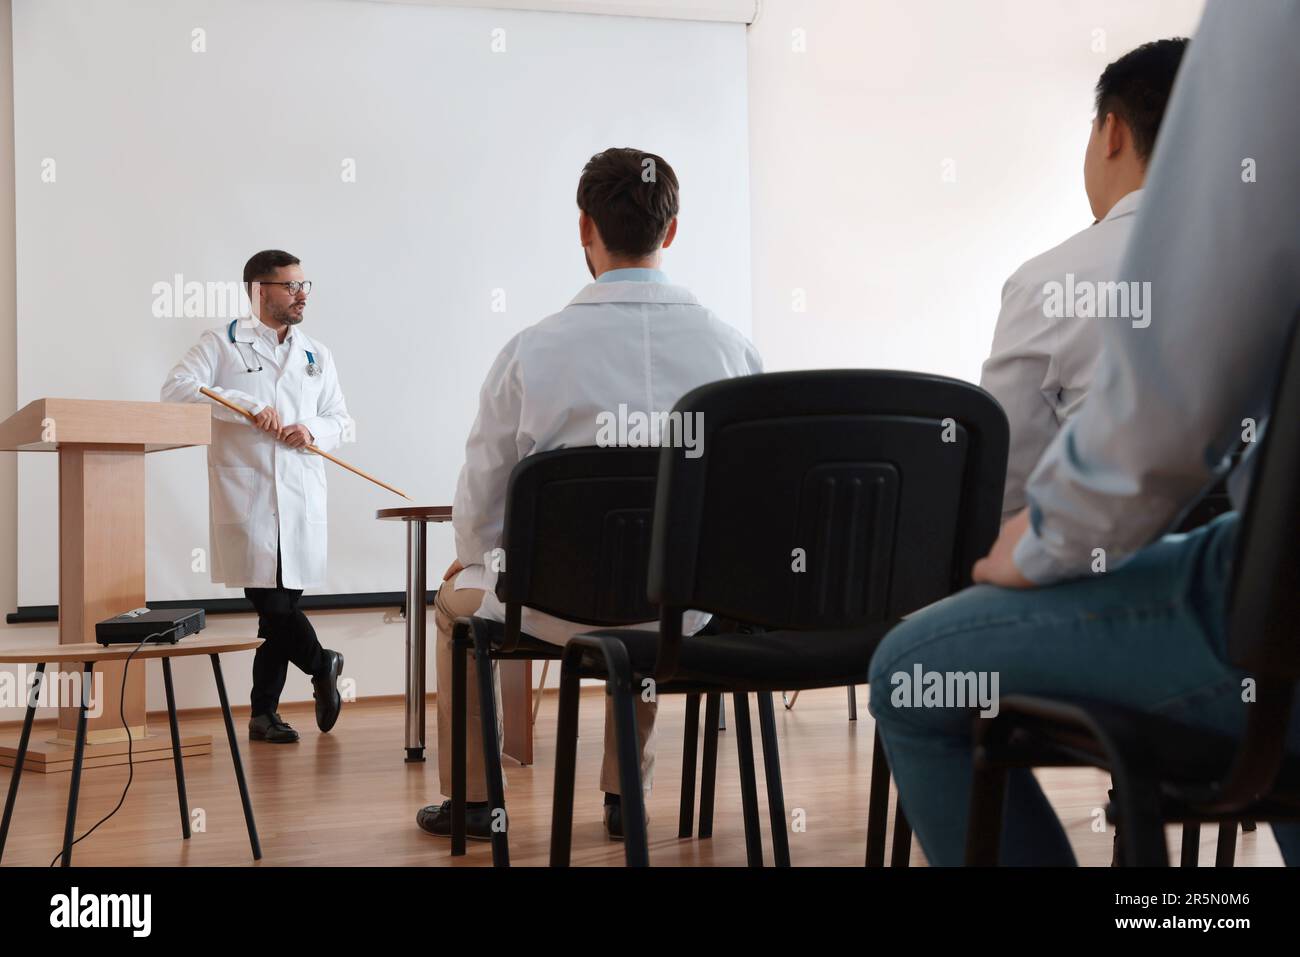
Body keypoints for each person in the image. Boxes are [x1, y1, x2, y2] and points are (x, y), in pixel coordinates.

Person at [868, 0, 1300, 865]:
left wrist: (1030, 546)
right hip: (1266, 608)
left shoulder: (1050, 281)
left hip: (1248, 601)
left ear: (1110, 133)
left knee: (911, 670)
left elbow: (1091, 455)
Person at [417, 148, 763, 841]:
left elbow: (483, 485)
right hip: (680, 608)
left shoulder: (531, 350)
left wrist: (476, 557)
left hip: (548, 606)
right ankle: (621, 791)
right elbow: (746, 495)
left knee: (455, 611)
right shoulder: (733, 351)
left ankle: (477, 803)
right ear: (670, 232)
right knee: (653, 588)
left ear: (584, 229)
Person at [980, 38, 1186, 522]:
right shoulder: (1273, 265)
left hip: (1105, 583)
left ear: (1111, 132)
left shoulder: (1048, 284)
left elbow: (1001, 491)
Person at [162, 250, 350, 744]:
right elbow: (177, 389)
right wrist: (246, 407)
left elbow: (341, 420)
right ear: (258, 291)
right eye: (290, 286)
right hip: (247, 498)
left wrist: (310, 429)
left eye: (304, 284)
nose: (301, 294)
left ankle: (263, 713)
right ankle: (322, 662)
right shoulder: (222, 343)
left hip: (301, 499)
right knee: (274, 606)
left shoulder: (316, 354)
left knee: (277, 612)